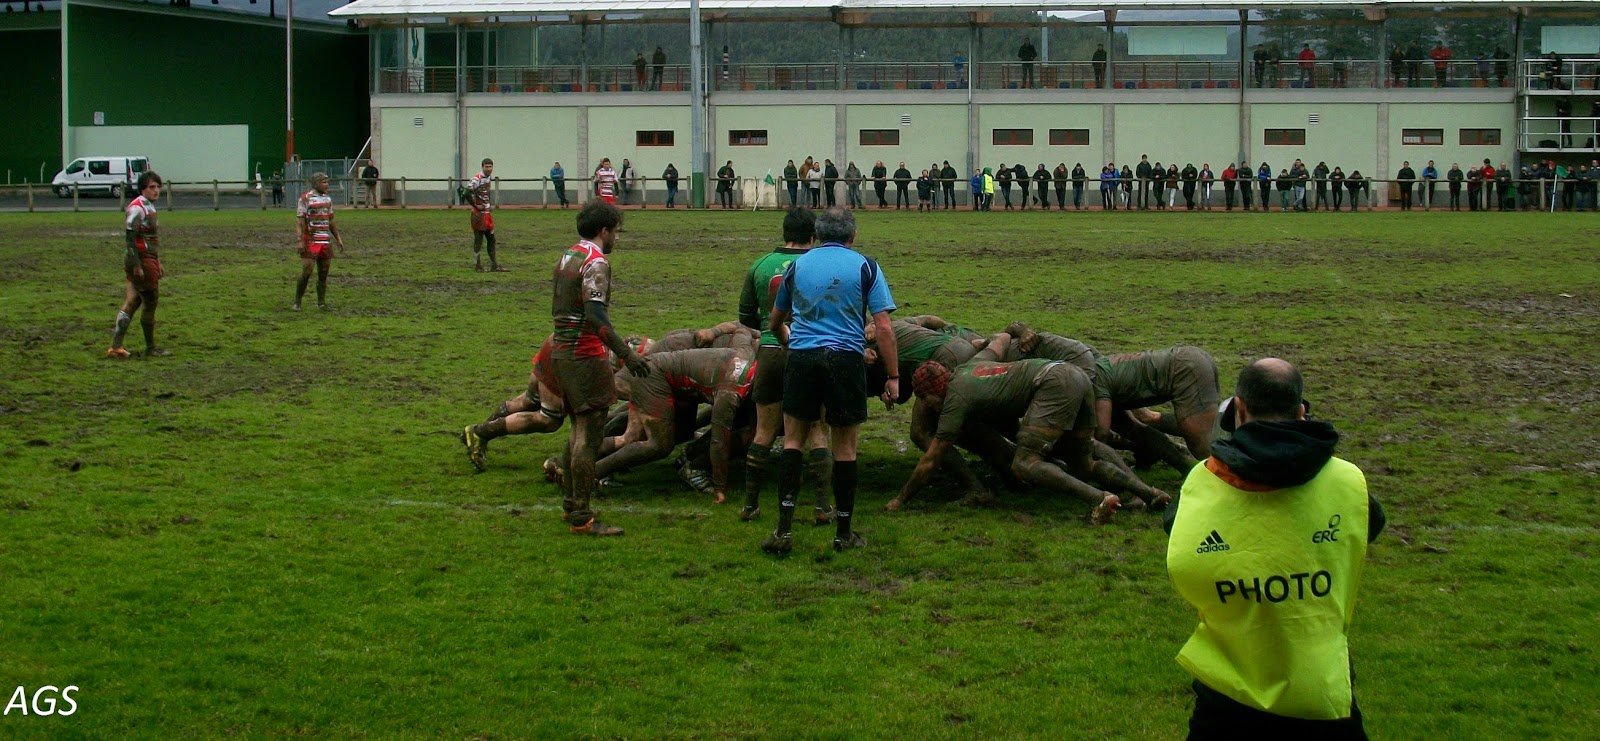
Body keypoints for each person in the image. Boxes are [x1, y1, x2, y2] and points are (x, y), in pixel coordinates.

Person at [1165, 358, 1384, 739]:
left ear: (1238, 409)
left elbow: (1177, 531)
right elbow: (1372, 522)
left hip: (1227, 693)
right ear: (1301, 412)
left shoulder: (1203, 484)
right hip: (1320, 689)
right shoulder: (1347, 482)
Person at [887, 334, 1161, 520]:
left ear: (935, 391)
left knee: (1025, 463)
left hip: (1053, 383)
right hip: (1074, 375)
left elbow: (932, 458)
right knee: (1083, 459)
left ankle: (1099, 499)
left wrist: (901, 498)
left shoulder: (955, 399)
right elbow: (1000, 341)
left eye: (926, 399)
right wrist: (1002, 333)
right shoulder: (973, 365)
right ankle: (1149, 493)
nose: (927, 406)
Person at [761, 207, 897, 554]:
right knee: (845, 448)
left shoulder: (797, 266)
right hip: (845, 360)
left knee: (793, 442)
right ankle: (843, 533)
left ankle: (783, 531)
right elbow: (883, 327)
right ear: (852, 236)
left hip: (804, 359)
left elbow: (775, 321)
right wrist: (893, 375)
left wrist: (790, 339)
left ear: (818, 235)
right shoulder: (866, 266)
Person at [548, 200, 651, 537]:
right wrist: (627, 354)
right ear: (604, 231)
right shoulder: (596, 262)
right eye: (616, 232)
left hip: (561, 351)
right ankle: (582, 516)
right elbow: (595, 316)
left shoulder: (568, 255)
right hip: (584, 354)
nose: (617, 239)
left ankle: (570, 506)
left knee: (577, 428)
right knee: (589, 436)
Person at [738, 208, 834, 523]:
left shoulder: (759, 265)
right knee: (818, 428)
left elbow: (745, 317)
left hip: (769, 349)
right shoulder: (821, 266)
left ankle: (750, 505)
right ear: (813, 236)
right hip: (808, 351)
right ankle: (822, 507)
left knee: (764, 430)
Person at [107, 170, 167, 359]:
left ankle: (116, 347)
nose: (156, 190)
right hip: (141, 260)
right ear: (143, 189)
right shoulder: (138, 208)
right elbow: (130, 239)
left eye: (158, 187)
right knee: (150, 303)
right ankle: (151, 347)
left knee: (133, 301)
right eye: (152, 187)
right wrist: (137, 265)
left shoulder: (148, 206)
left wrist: (158, 261)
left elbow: (149, 238)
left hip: (146, 259)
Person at [294, 172, 345, 311]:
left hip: (325, 240)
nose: (326, 185)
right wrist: (299, 240)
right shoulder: (305, 198)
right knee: (307, 271)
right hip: (310, 240)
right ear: (316, 183)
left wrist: (338, 239)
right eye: (324, 182)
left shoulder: (327, 199)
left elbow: (331, 221)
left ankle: (321, 303)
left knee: (323, 272)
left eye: (327, 182)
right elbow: (300, 221)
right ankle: (297, 302)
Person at [467, 158, 505, 272]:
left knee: (491, 239)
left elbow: (486, 192)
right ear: (482, 167)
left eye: (490, 166)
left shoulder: (488, 178)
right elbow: (466, 192)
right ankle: (477, 265)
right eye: (486, 167)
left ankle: (494, 265)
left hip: (487, 214)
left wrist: (489, 204)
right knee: (478, 239)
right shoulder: (476, 179)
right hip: (479, 214)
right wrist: (475, 205)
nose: (489, 169)